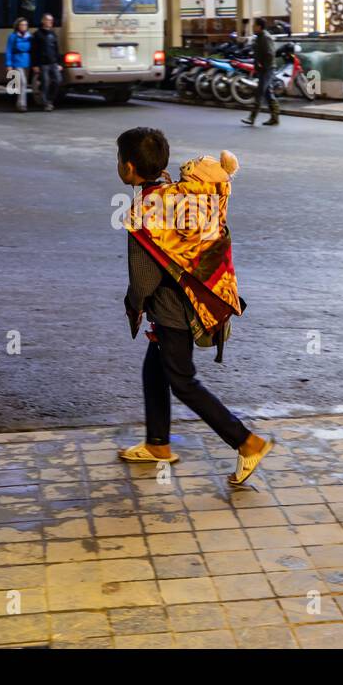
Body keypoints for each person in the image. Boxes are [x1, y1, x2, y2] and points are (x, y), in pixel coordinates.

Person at [115, 127, 274, 485]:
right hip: (191, 302)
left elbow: (143, 279)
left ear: (128, 167)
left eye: (118, 160)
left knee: (183, 381)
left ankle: (246, 441)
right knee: (155, 368)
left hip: (174, 312)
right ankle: (158, 444)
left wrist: (134, 304)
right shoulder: (176, 193)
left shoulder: (144, 211)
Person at [241, 17, 279, 126]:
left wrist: (263, 65)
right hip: (263, 69)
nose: (253, 27)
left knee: (260, 92)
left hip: (267, 69)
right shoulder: (259, 37)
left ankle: (252, 117)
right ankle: (275, 117)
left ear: (259, 26)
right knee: (268, 93)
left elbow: (270, 54)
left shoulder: (265, 38)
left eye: (254, 25)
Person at [33, 13, 60, 112]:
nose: (50, 22)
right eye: (48, 20)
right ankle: (46, 103)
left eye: (51, 21)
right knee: (45, 82)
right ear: (43, 21)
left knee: (58, 80)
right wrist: (35, 64)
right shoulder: (37, 34)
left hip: (53, 63)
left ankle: (50, 99)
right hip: (43, 63)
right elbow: (34, 50)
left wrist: (59, 63)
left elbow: (56, 49)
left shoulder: (53, 34)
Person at [4, 17, 33, 112]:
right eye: (22, 25)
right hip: (17, 62)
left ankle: (18, 102)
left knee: (20, 84)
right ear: (17, 26)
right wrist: (8, 64)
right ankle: (22, 105)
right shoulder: (13, 36)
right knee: (23, 82)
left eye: (25, 25)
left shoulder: (29, 37)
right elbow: (9, 50)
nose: (24, 27)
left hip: (27, 62)